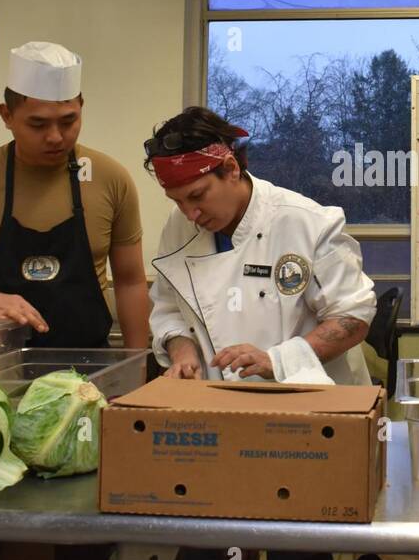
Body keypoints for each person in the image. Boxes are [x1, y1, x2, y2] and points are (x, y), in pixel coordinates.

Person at [0, 41, 150, 350]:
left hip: (91, 372)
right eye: (37, 124)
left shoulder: (110, 179)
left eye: (68, 121)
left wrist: (136, 367)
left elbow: (131, 283)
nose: (55, 137)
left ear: (81, 108)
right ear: (6, 116)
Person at [146, 106, 376, 385]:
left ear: (231, 168)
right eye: (177, 200)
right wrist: (184, 353)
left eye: (197, 195)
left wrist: (278, 361)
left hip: (313, 405)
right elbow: (169, 307)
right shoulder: (179, 226)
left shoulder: (306, 222)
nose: (189, 213)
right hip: (217, 403)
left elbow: (352, 317)